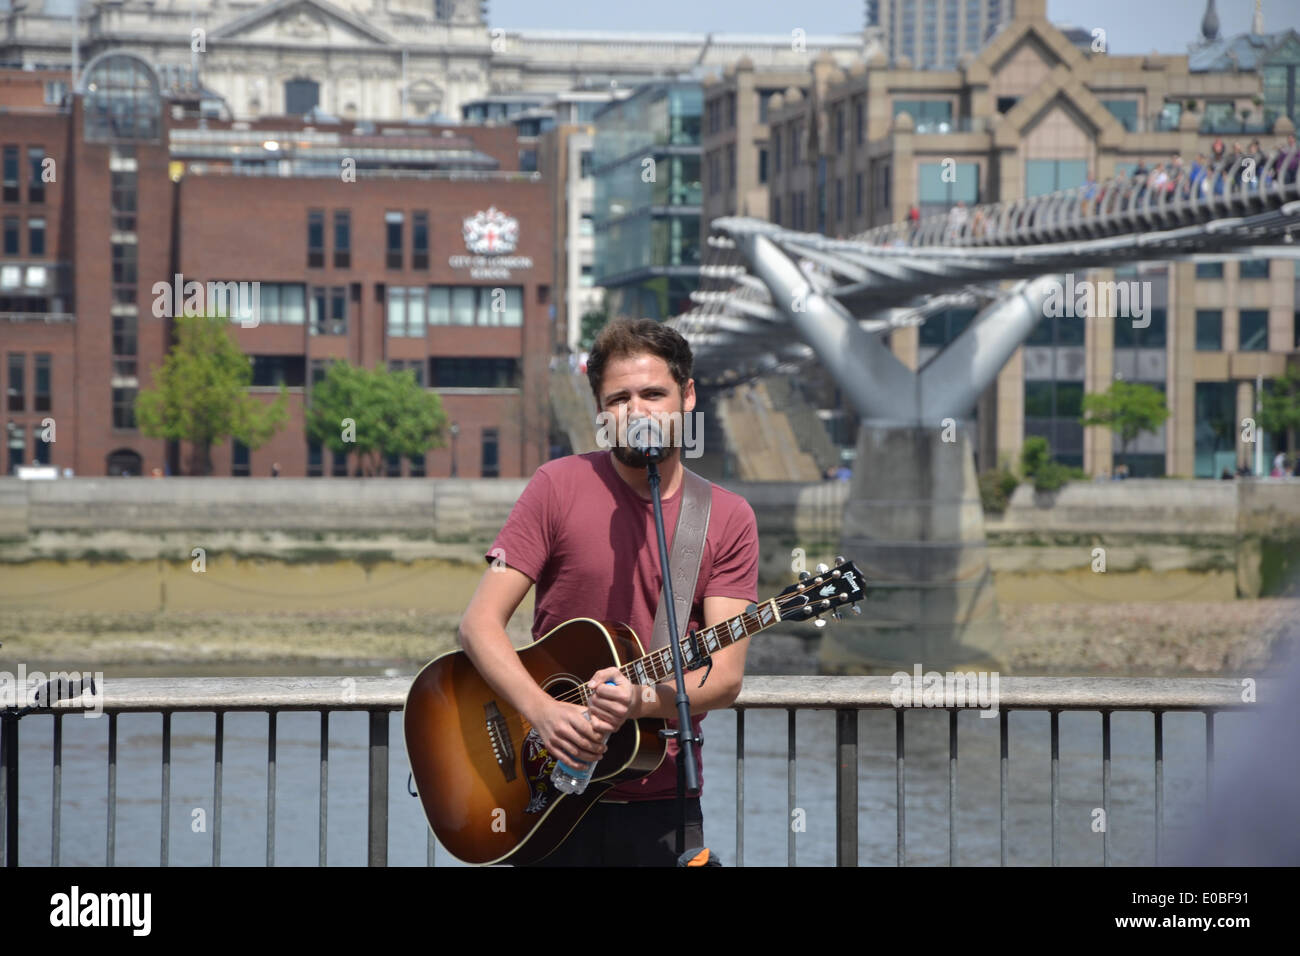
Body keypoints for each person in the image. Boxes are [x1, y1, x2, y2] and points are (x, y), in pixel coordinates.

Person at [458, 318, 760, 866]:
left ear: (687, 397)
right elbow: (478, 625)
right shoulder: (556, 486)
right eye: (619, 399)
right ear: (600, 412)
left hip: (660, 797)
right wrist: (544, 714)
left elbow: (724, 676)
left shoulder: (728, 517)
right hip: (541, 792)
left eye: (653, 393)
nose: (637, 411)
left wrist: (640, 701)